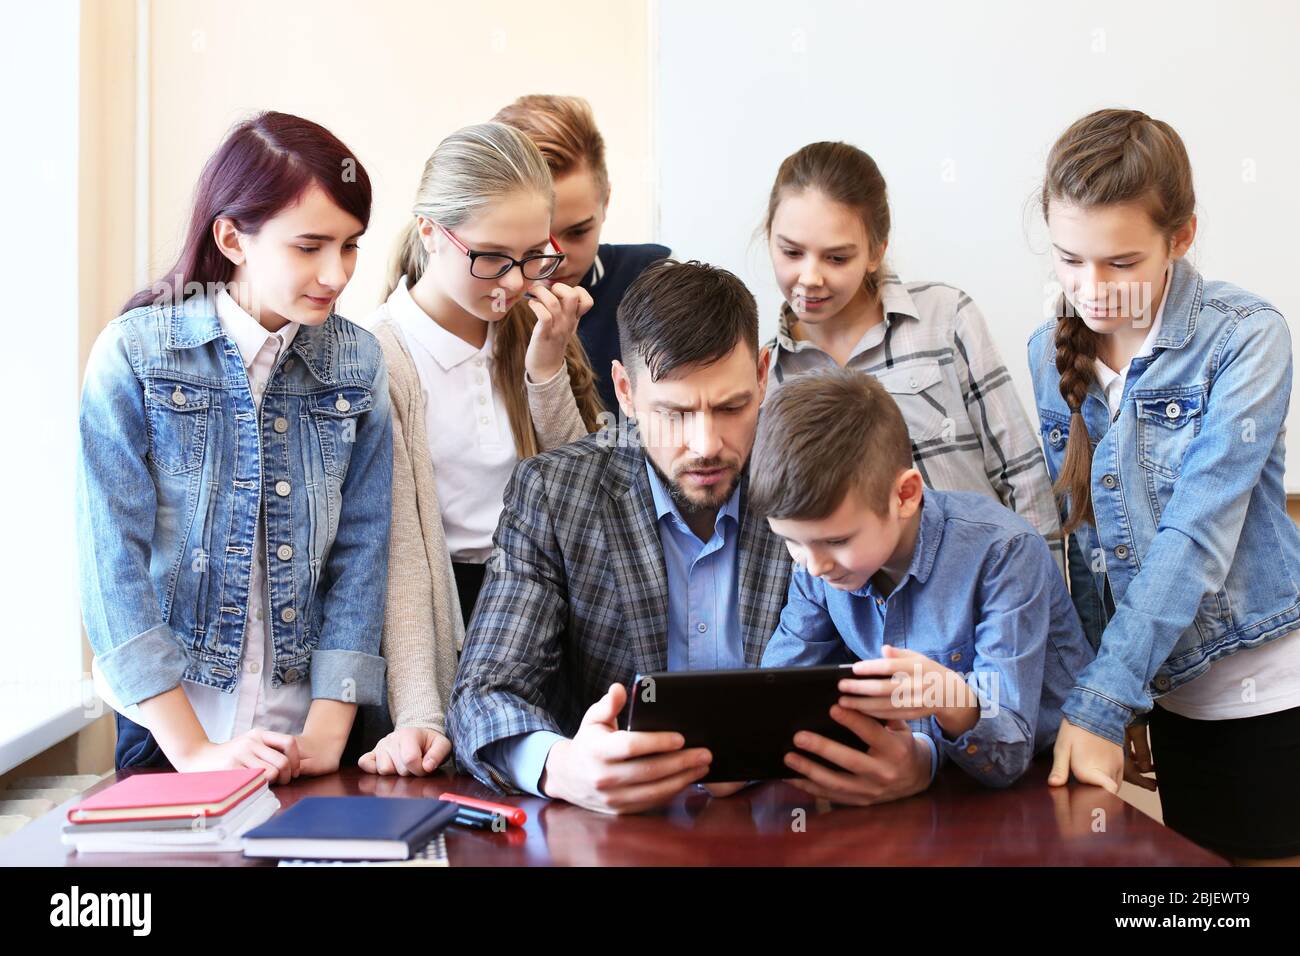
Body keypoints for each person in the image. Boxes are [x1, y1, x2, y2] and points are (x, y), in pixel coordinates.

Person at [77, 112, 392, 780]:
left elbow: (363, 554)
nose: (336, 274)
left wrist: (328, 732)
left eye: (351, 245)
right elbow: (111, 569)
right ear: (232, 237)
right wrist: (196, 753)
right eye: (309, 246)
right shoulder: (134, 353)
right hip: (167, 730)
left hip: (308, 732)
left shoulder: (358, 363)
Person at [1029, 107, 1300, 863]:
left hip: (1269, 691)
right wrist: (1115, 689)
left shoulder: (1246, 336)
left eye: (1121, 263)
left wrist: (1104, 697)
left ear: (1179, 239)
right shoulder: (1044, 354)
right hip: (1162, 691)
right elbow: (1083, 542)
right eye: (1070, 260)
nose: (1093, 289)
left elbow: (1196, 535)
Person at [447, 259, 792, 813]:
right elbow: (483, 695)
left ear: (762, 374)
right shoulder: (556, 496)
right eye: (673, 414)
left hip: (791, 820)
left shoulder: (812, 478)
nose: (706, 444)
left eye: (731, 407)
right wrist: (561, 767)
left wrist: (916, 752)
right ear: (626, 392)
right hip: (617, 830)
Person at [359, 122, 602, 777]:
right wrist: (419, 715)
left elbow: (588, 502)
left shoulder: (533, 327)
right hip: (437, 617)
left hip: (534, 616)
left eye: (535, 255)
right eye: (493, 257)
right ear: (431, 234)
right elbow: (396, 556)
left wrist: (547, 372)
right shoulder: (380, 354)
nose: (516, 280)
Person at [749, 367, 1092, 805]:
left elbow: (1008, 750)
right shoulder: (818, 565)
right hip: (922, 785)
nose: (813, 566)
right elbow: (776, 693)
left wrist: (951, 698)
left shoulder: (1004, 553)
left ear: (906, 495)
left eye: (837, 540)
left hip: (1044, 785)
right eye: (791, 541)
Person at [763, 141, 1063, 569]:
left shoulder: (944, 317)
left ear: (876, 252)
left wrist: (1044, 604)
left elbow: (1021, 473)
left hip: (986, 600)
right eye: (791, 252)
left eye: (837, 257)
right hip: (866, 629)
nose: (809, 278)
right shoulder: (766, 376)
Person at [494, 94, 670, 413]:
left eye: (577, 232)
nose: (551, 259)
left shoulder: (653, 284)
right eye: (534, 241)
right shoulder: (477, 306)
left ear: (606, 202)